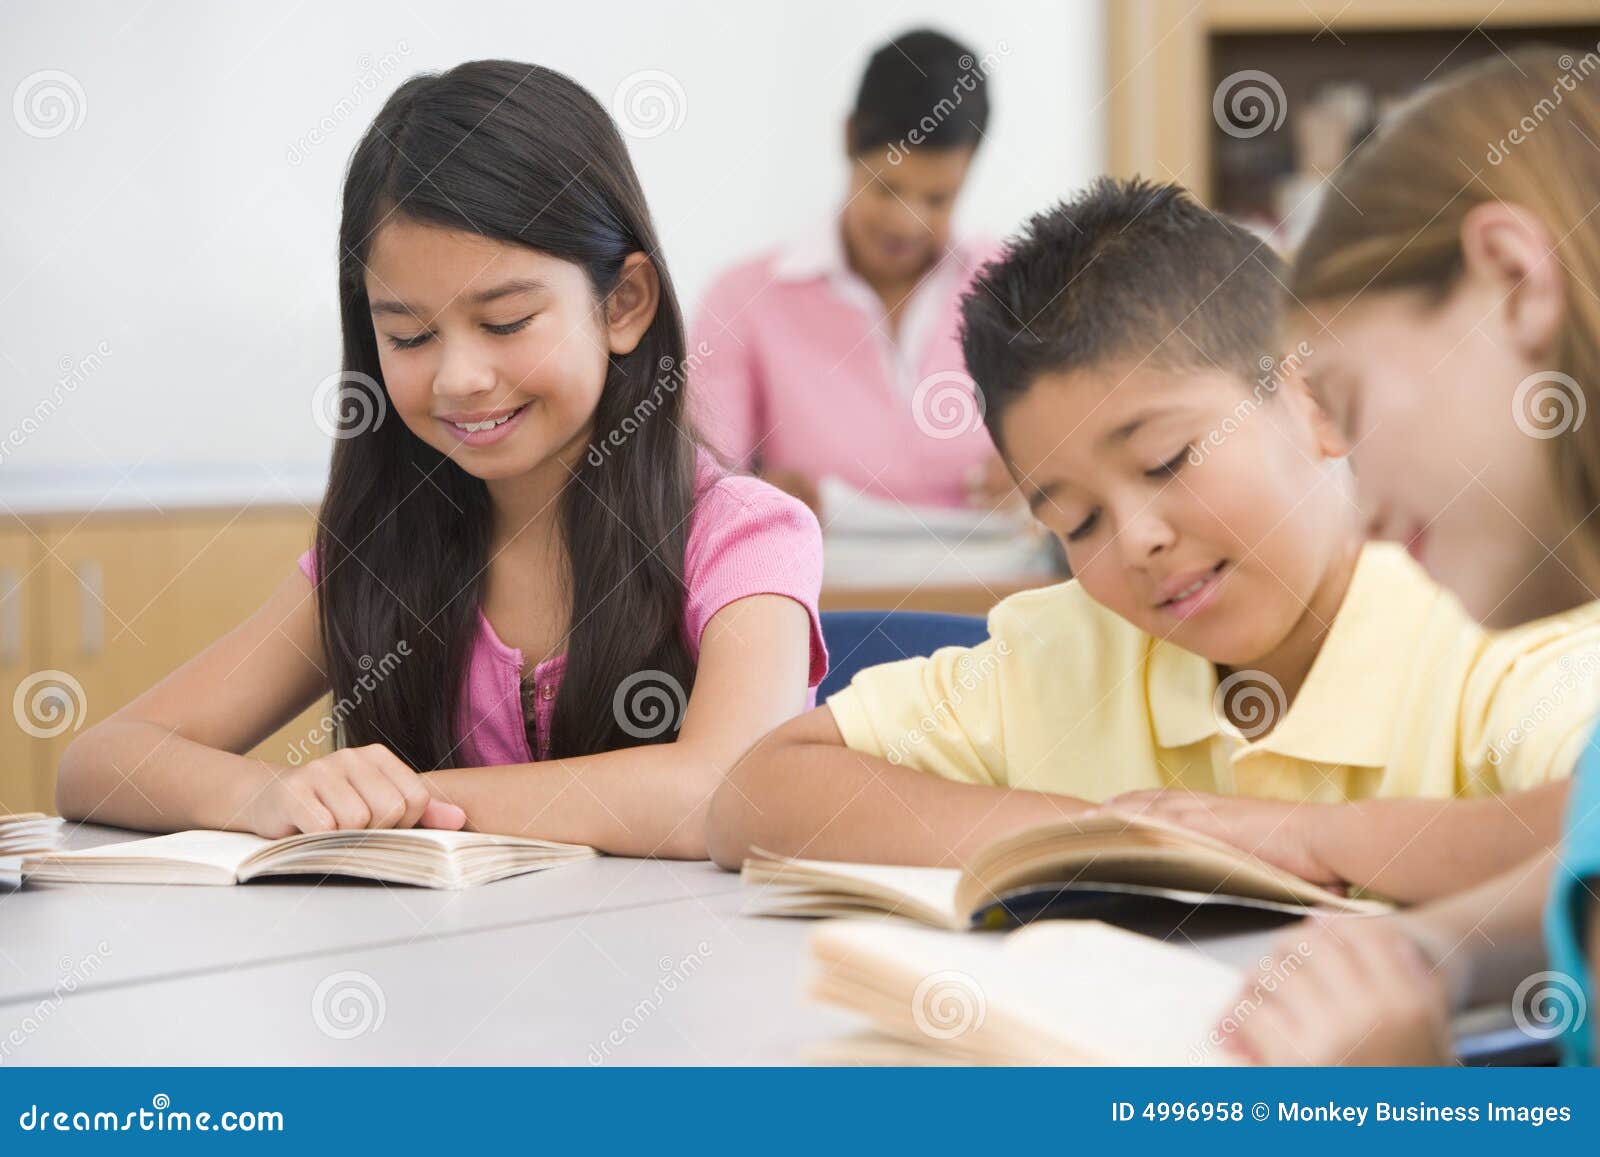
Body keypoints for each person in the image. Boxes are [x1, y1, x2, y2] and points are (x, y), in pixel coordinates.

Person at [55, 61, 828, 860]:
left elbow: (728, 795)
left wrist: (403, 801)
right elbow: (98, 762)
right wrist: (267, 794)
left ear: (622, 304)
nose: (459, 377)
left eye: (507, 321)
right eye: (410, 336)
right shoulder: (378, 552)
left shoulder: (746, 536)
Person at [689, 28, 1009, 512]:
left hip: (998, 584)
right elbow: (699, 481)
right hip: (810, 585)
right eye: (887, 188)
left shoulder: (1017, 289)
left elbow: (1087, 452)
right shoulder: (744, 299)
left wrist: (1049, 477)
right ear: (847, 141)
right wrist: (752, 494)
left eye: (938, 198)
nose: (907, 222)